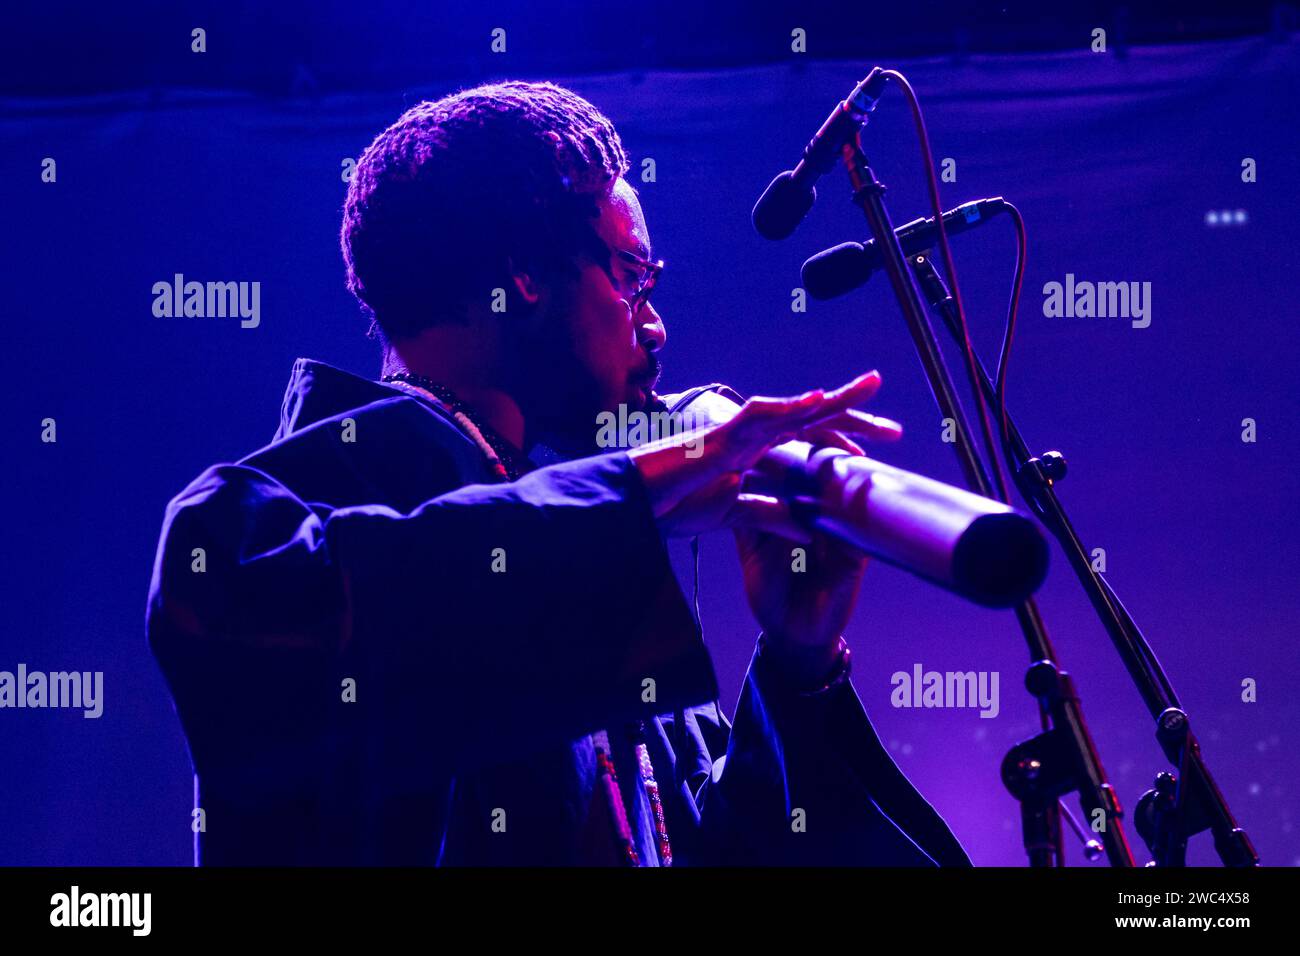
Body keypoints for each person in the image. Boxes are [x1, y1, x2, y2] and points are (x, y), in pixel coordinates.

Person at [146, 80, 970, 866]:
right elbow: (267, 619)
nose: (655, 325)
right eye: (632, 277)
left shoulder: (581, 567)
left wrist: (801, 662)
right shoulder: (276, 517)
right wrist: (642, 490)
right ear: (523, 275)